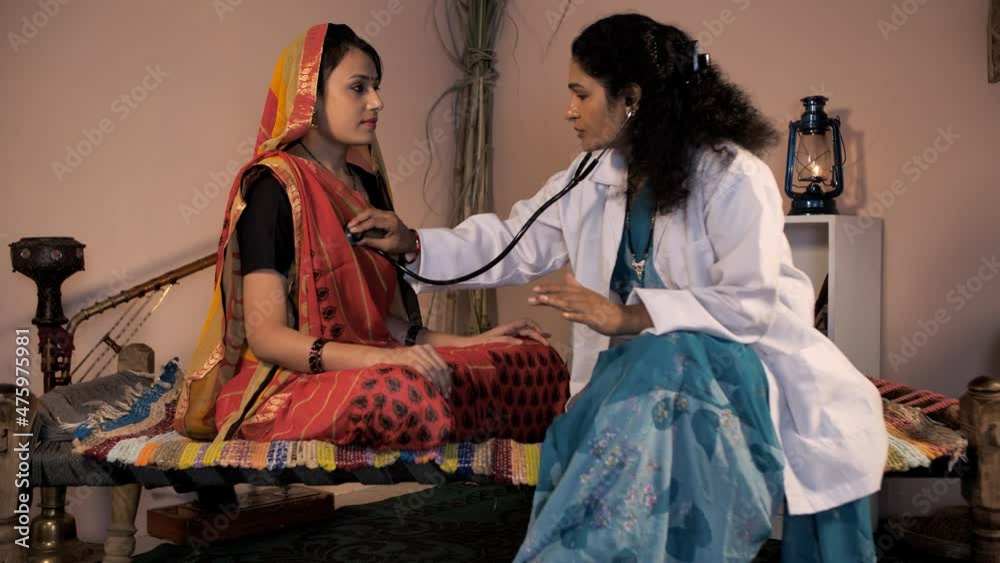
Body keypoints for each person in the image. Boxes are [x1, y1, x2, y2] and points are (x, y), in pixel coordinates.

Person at [349, 13, 887, 562]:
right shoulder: (590, 176)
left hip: (733, 374)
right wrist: (412, 242)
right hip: (627, 384)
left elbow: (753, 304)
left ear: (631, 98)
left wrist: (632, 318)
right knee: (628, 399)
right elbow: (513, 241)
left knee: (669, 360)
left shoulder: (731, 175)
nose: (569, 110)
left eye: (581, 94)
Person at [173, 23, 571, 452]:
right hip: (294, 382)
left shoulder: (366, 184)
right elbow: (266, 337)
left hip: (376, 360)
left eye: (376, 87)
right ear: (310, 98)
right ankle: (444, 408)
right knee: (406, 392)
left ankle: (450, 403)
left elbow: (378, 324)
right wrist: (381, 359)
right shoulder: (273, 187)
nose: (376, 101)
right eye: (358, 88)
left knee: (532, 361)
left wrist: (474, 341)